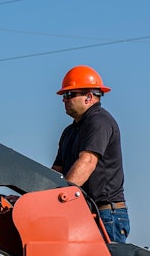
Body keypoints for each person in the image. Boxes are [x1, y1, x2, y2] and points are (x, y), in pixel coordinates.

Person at [51, 65, 129, 243]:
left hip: (106, 215)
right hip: (85, 213)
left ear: (89, 97)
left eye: (70, 94)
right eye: (64, 96)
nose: (64, 100)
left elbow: (87, 162)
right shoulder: (70, 131)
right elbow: (56, 172)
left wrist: (58, 200)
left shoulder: (99, 121)